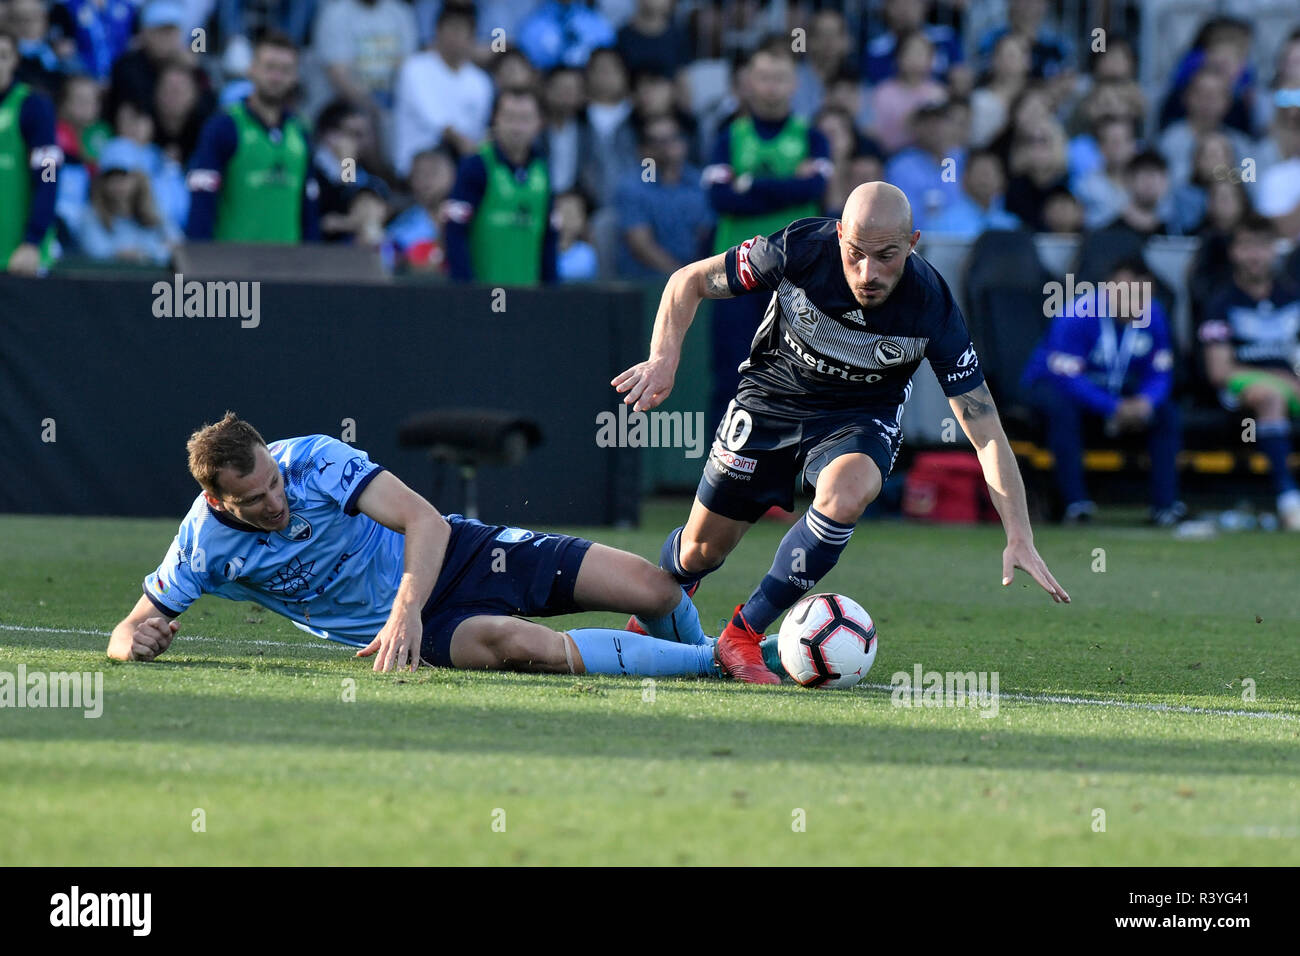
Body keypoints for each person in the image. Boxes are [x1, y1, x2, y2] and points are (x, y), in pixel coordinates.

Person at [612, 181, 1070, 683]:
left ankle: (743, 633)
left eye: (887, 256)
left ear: (913, 242)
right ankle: (651, 611)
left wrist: (1019, 534)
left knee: (848, 492)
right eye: (855, 254)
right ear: (838, 235)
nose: (868, 273)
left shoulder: (932, 307)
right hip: (769, 403)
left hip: (857, 421)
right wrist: (663, 359)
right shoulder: (798, 249)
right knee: (701, 552)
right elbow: (688, 280)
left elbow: (985, 431)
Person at [107, 412, 725, 680]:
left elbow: (425, 521)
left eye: (274, 480)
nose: (277, 500)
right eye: (255, 499)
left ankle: (706, 654)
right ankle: (719, 664)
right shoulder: (200, 545)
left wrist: (407, 600)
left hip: (453, 555)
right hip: (410, 632)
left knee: (655, 588)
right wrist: (133, 644)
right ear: (218, 501)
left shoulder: (314, 460)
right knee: (520, 644)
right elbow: (129, 629)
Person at [1022, 258, 1184, 526]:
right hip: (1054, 385)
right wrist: (1113, 407)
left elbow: (1160, 372)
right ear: (1108, 289)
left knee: (1166, 412)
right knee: (1062, 407)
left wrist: (1146, 402)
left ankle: (1165, 506)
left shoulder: (1154, 315)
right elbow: (1068, 377)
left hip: (1114, 389)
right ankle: (1075, 504)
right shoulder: (1078, 313)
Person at [1198, 215, 1300, 530]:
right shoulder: (1220, 302)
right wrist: (1283, 381)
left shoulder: (1293, 298)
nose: (1255, 255)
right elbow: (1219, 371)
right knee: (1270, 397)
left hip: (1292, 383)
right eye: (1247, 247)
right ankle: (1289, 503)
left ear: (1275, 251)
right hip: (1240, 386)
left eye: (1262, 247)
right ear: (1234, 252)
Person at [184, 31, 320, 243]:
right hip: (234, 267)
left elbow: (309, 207)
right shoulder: (224, 126)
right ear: (252, 69)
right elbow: (202, 197)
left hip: (289, 268)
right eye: (270, 67)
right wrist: (200, 262)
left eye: (285, 70)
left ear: (295, 76)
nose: (276, 77)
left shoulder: (301, 133)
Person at [442, 87, 556, 285]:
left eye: (525, 119)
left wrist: (551, 291)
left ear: (539, 123)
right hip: (484, 295)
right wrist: (465, 291)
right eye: (510, 118)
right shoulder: (476, 166)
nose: (517, 128)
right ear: (495, 119)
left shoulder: (542, 170)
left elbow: (549, 236)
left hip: (529, 296)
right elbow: (455, 231)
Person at [0, 28, 59, 275]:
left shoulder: (33, 107)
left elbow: (49, 175)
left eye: (2, 56)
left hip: (19, 257)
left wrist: (32, 241)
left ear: (15, 60)